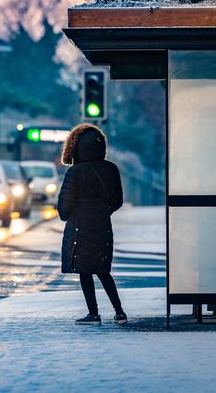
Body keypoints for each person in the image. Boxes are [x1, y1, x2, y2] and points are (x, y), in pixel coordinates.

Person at [57, 123, 127, 325]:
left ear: (75, 146)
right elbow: (117, 201)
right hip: (103, 226)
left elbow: (65, 204)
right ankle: (119, 311)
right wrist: (103, 212)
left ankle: (93, 313)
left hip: (80, 228)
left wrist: (68, 215)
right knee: (103, 270)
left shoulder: (76, 172)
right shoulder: (111, 169)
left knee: (84, 271)